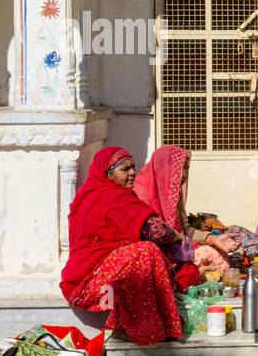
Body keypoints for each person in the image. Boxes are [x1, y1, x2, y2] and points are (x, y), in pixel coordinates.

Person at [61, 146, 186, 345]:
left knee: (144, 252)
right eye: (125, 169)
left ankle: (143, 325)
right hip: (87, 282)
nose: (132, 173)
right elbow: (155, 231)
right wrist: (179, 237)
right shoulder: (112, 197)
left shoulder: (91, 194)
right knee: (145, 252)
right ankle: (140, 329)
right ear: (107, 174)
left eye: (133, 167)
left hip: (93, 274)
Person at [133, 144, 238, 282]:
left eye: (187, 168)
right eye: (179, 168)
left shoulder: (175, 193)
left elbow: (186, 229)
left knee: (218, 255)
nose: (184, 174)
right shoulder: (141, 193)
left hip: (176, 249)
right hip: (154, 256)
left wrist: (215, 240)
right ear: (162, 167)